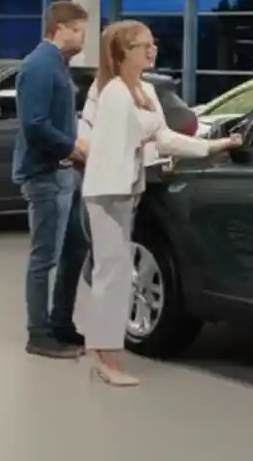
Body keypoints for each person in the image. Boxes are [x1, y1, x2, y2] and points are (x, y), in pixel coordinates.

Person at [76, 20, 241, 386]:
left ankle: (104, 353)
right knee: (111, 275)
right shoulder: (114, 92)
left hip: (128, 190)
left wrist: (211, 147)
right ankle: (104, 357)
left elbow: (163, 136)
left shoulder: (146, 90)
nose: (152, 50)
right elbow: (138, 135)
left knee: (116, 274)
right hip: (107, 191)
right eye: (143, 46)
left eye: (153, 44)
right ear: (123, 53)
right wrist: (154, 140)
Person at [14, 1, 91, 358]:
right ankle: (39, 333)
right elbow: (35, 124)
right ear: (58, 29)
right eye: (77, 30)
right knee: (44, 257)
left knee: (76, 247)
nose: (82, 38)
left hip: (65, 173)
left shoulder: (59, 66)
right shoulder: (40, 66)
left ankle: (62, 322)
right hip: (46, 175)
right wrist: (72, 146)